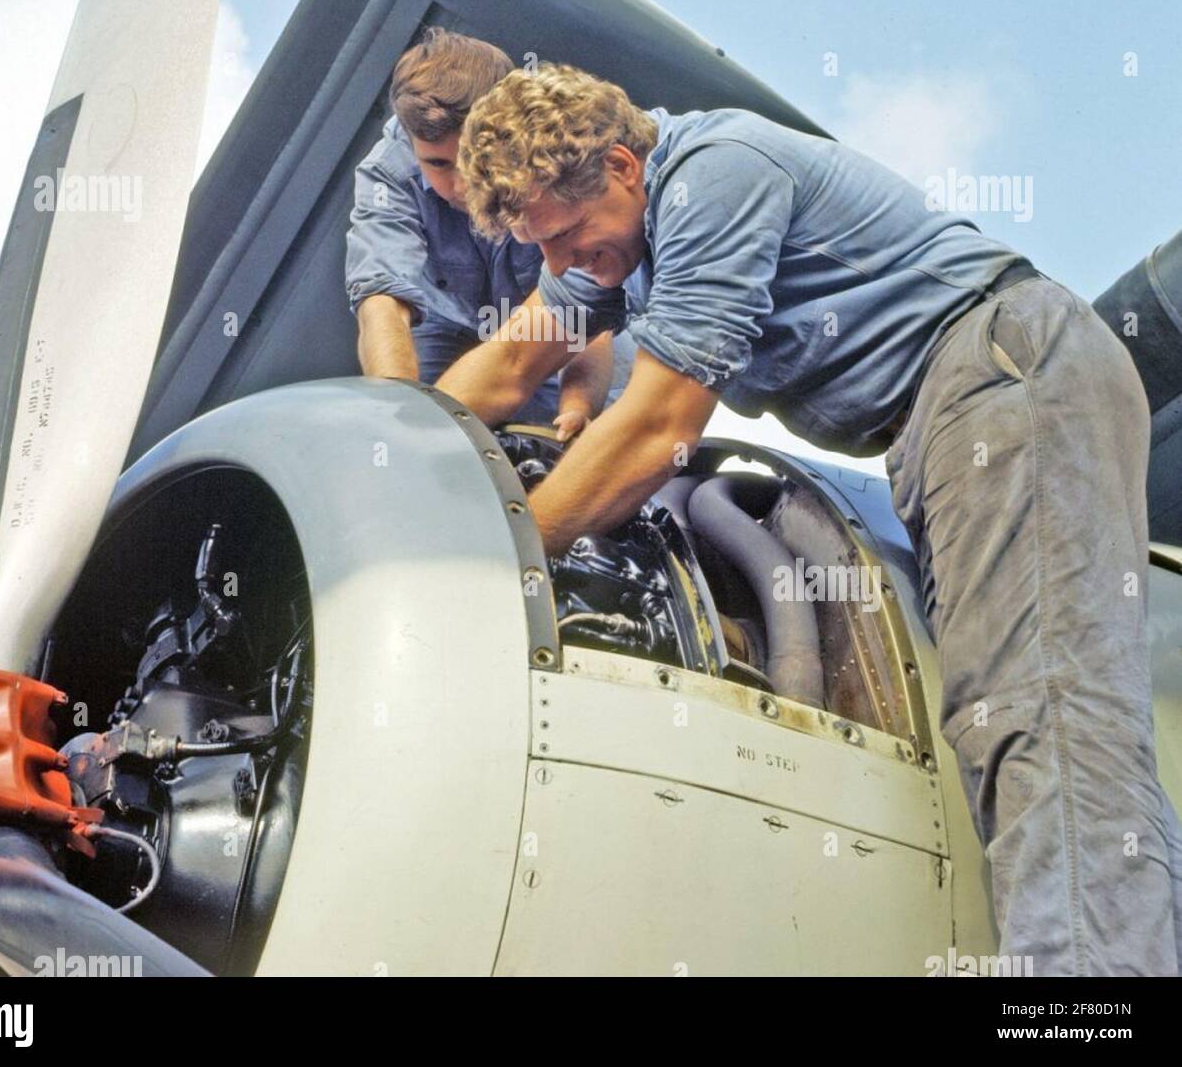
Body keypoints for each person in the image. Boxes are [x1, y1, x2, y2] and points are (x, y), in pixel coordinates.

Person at [437, 61, 1182, 976]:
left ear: (624, 168)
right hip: (945, 419)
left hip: (1004, 379)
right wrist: (387, 452)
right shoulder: (611, 237)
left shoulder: (717, 175)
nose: (560, 267)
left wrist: (483, 569)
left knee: (1044, 713)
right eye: (541, 249)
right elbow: (509, 367)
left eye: (570, 237)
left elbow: (658, 428)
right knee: (1000, 716)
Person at [344, 29, 614, 437]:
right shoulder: (388, 172)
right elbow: (381, 302)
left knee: (569, 444)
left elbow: (588, 309)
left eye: (471, 159)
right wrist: (395, 420)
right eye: (437, 164)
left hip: (559, 323)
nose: (460, 187)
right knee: (416, 424)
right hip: (448, 322)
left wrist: (577, 409)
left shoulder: (553, 158)